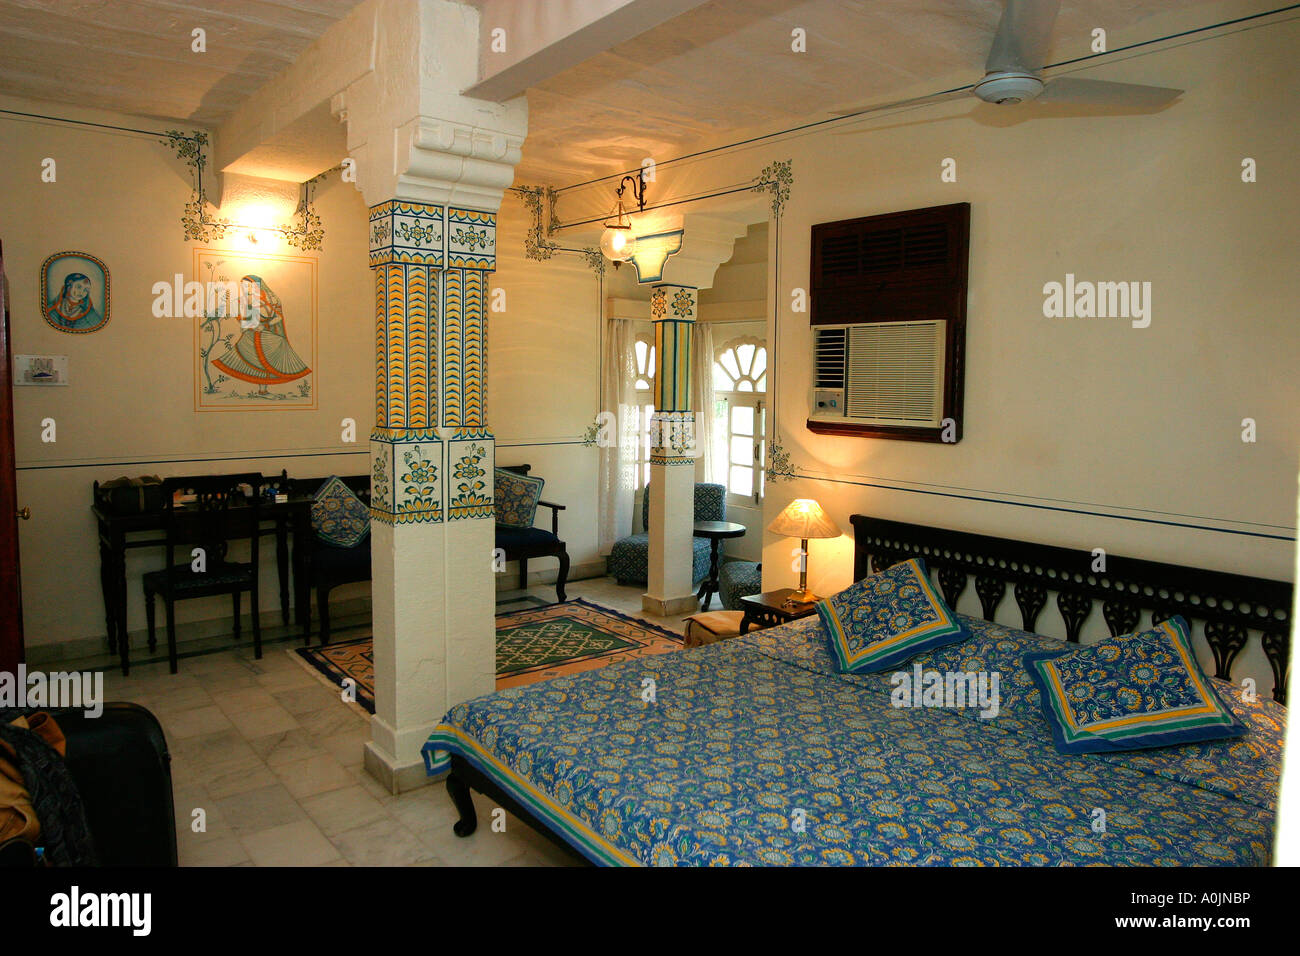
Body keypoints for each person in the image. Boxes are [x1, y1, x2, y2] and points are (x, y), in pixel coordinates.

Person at [212, 275, 310, 394]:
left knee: (269, 360)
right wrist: (251, 325)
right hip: (250, 337)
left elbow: (278, 317)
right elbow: (242, 321)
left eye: (248, 285)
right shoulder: (239, 301)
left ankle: (263, 390)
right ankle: (261, 390)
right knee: (253, 364)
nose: (245, 288)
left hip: (265, 335)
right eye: (243, 285)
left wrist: (265, 324)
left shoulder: (265, 301)